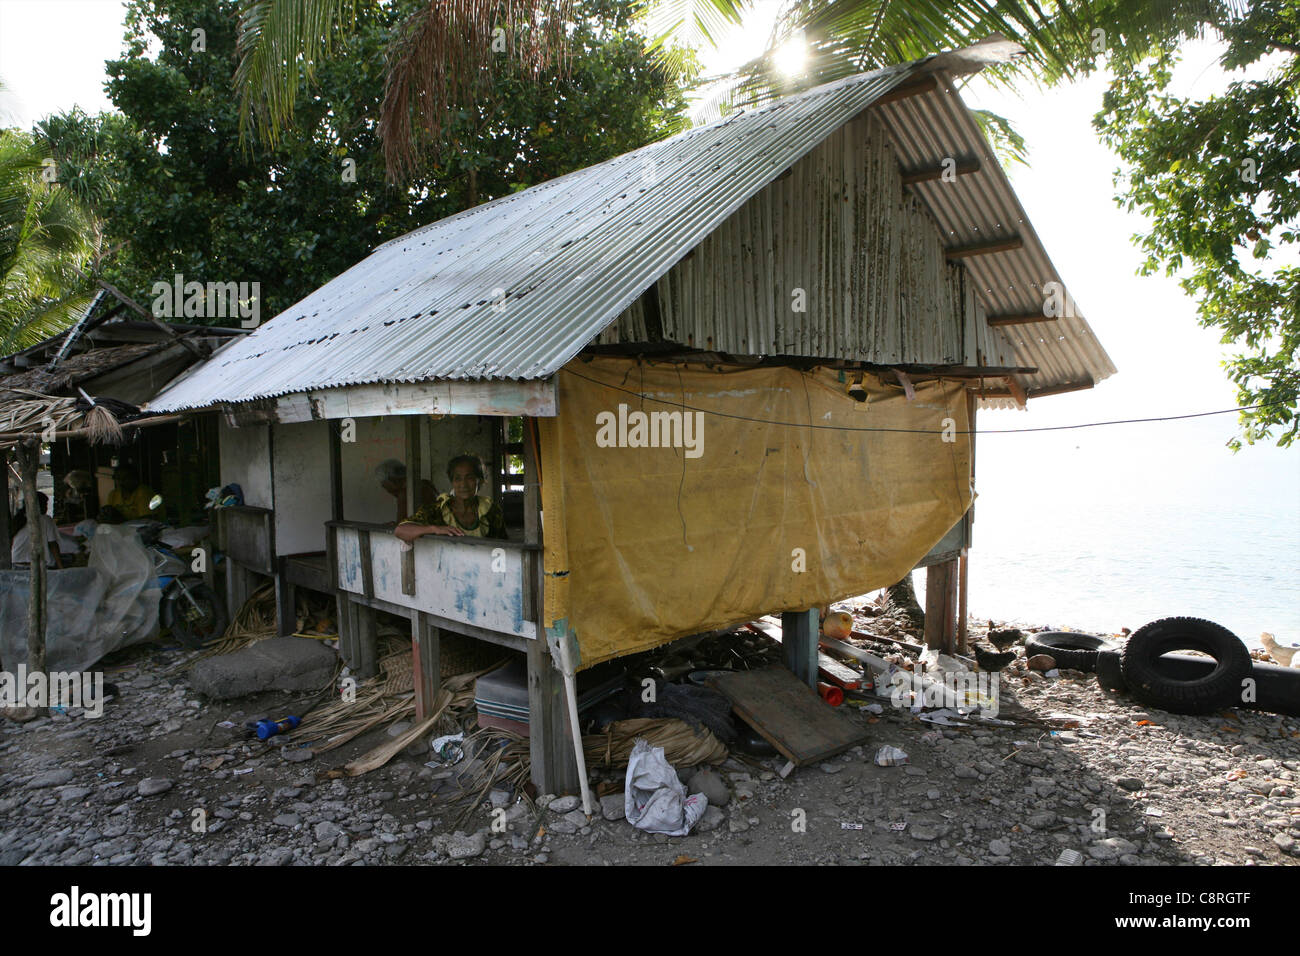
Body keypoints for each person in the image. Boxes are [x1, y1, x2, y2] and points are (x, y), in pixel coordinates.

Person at [395, 454, 507, 541]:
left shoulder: (491, 510)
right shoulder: (437, 510)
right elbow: (400, 531)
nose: (463, 484)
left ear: (480, 481)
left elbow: (503, 545)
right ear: (452, 482)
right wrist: (434, 529)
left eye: (470, 478)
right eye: (457, 478)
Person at [374, 459, 437, 524]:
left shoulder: (406, 493)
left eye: (385, 485)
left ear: (393, 480)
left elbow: (402, 525)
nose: (388, 491)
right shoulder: (426, 483)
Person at [11, 493, 64, 569]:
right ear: (39, 505)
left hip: (16, 562)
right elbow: (53, 544)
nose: (46, 508)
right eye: (45, 504)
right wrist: (60, 566)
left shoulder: (18, 519)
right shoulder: (46, 520)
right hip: (37, 565)